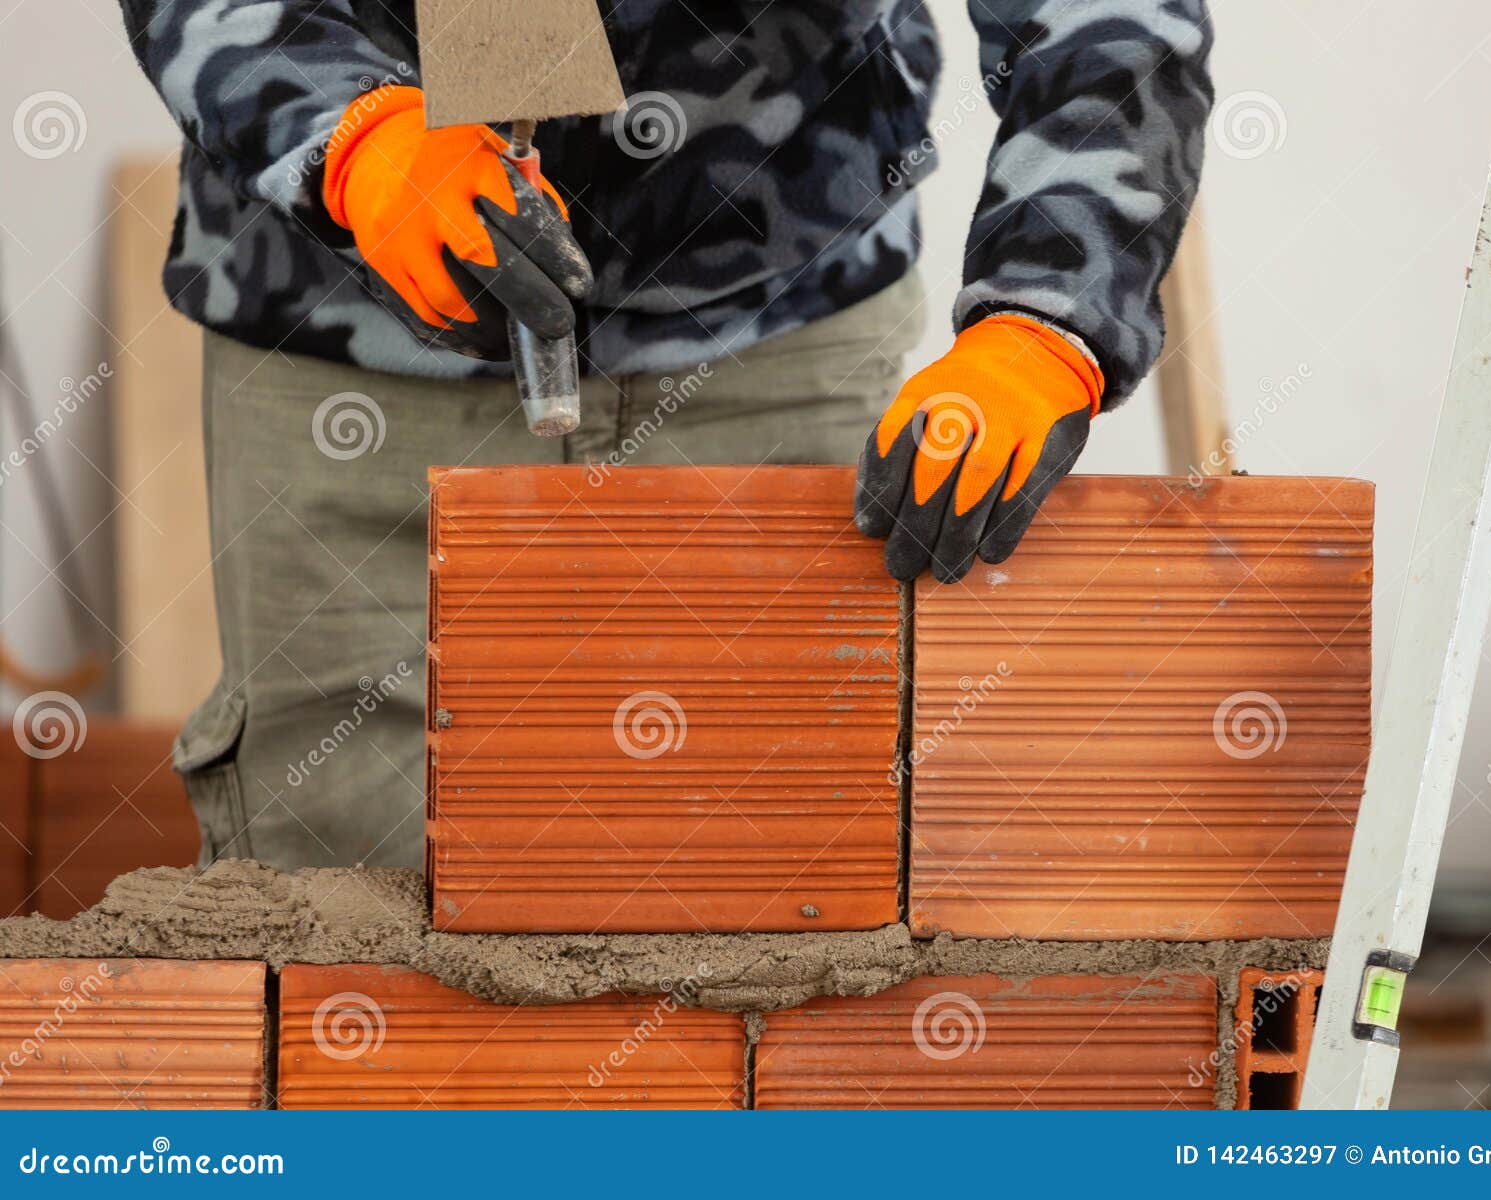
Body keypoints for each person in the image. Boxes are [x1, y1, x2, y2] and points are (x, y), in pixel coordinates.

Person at [119, 1, 1213, 870]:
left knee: (793, 877)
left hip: (778, 306)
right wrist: (352, 138)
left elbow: (1102, 15)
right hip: (357, 327)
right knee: (339, 879)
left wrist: (1045, 322)